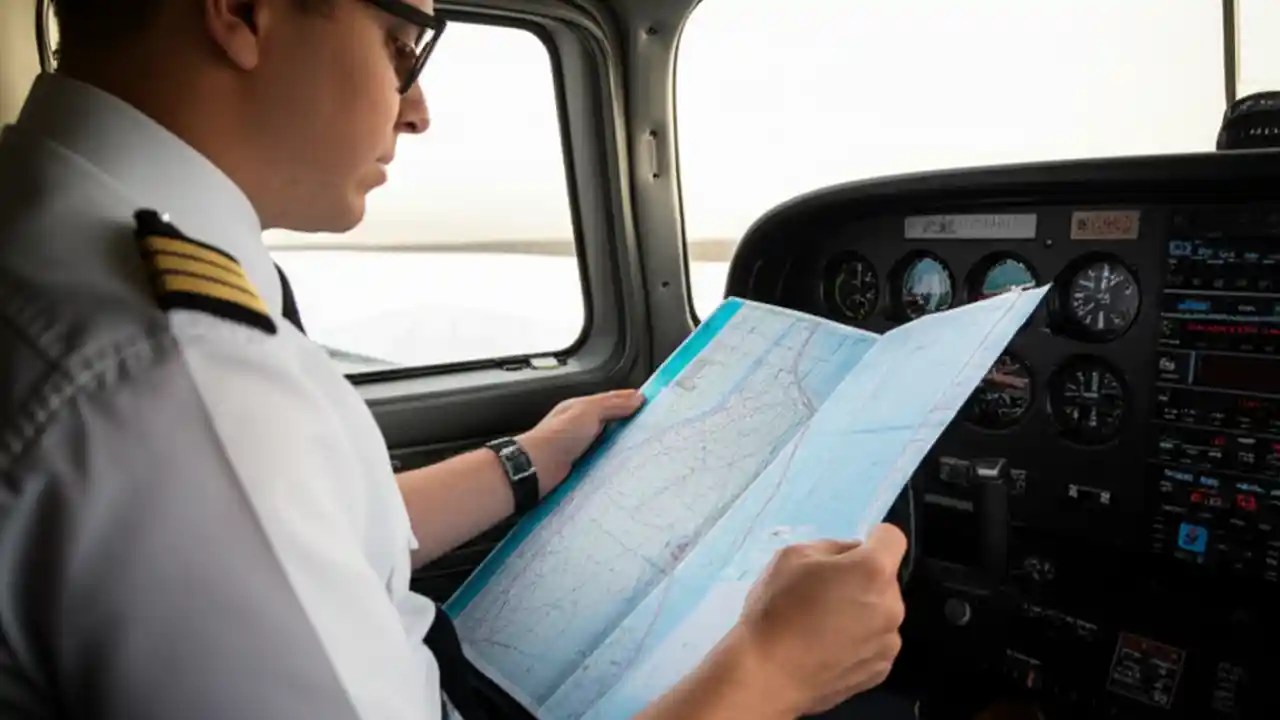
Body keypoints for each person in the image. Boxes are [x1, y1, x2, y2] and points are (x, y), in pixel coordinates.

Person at [0, 0, 908, 718]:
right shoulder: (179, 376)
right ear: (241, 10)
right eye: (404, 43)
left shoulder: (58, 232)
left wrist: (529, 458)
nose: (420, 108)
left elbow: (300, 532)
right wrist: (771, 673)